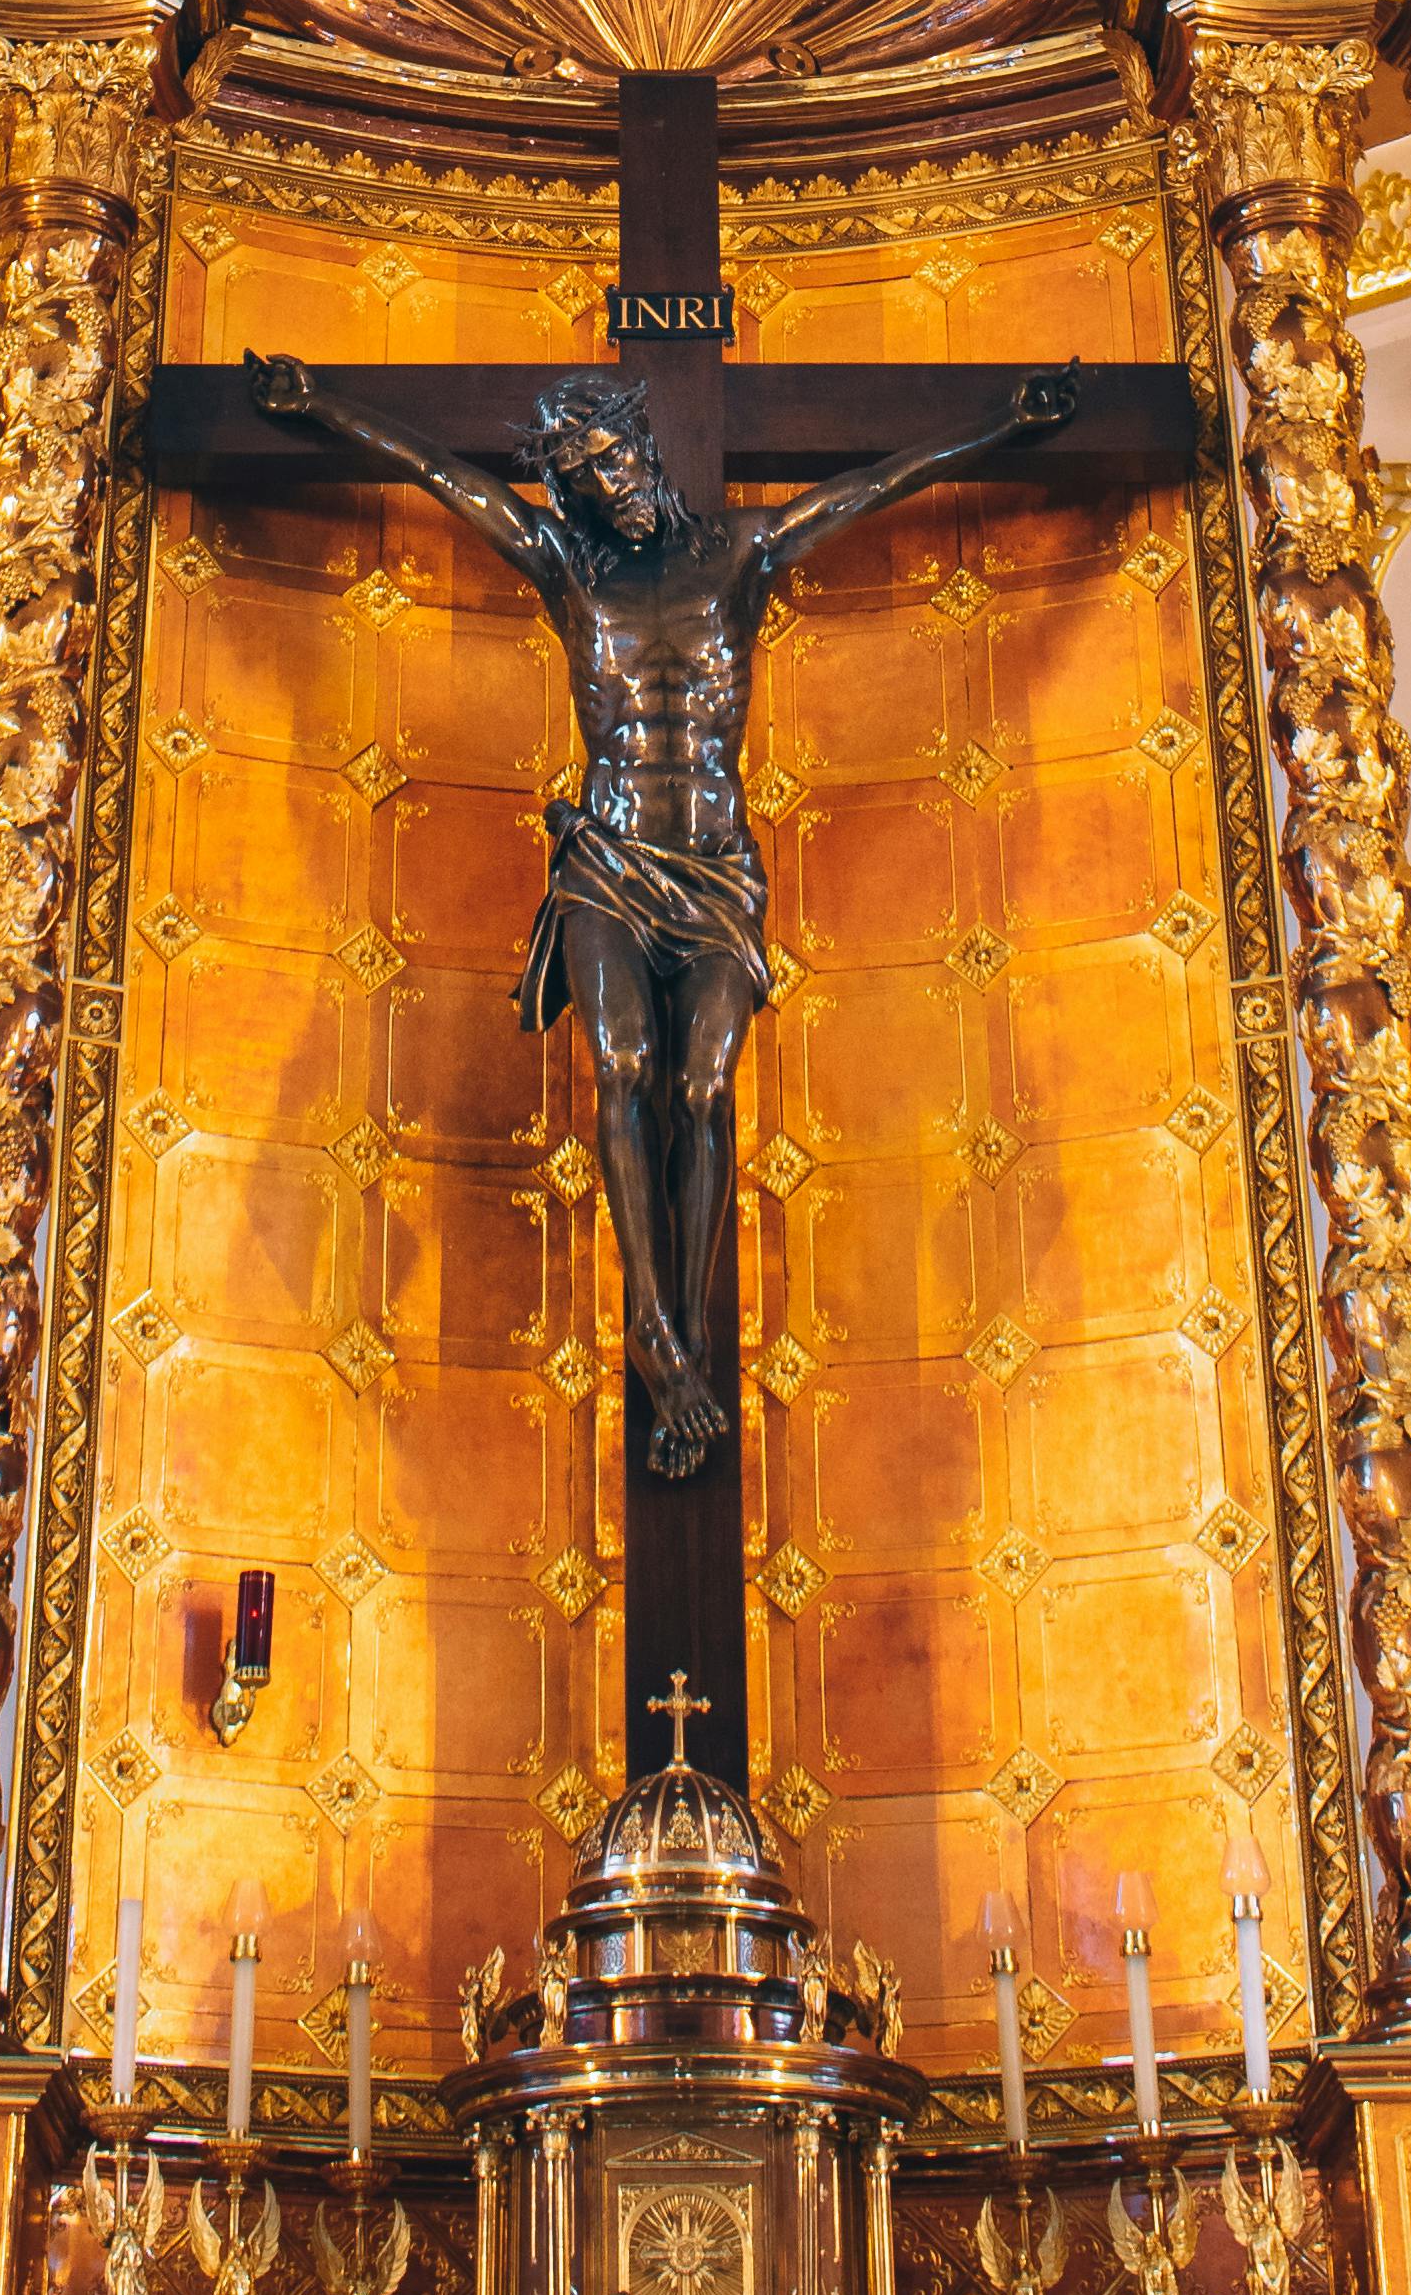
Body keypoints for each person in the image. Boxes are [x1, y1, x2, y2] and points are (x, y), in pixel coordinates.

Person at [241, 351, 1077, 1469]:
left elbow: (878, 484)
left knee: (703, 1084)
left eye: (619, 455)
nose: (613, 479)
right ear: (573, 488)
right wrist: (325, 407)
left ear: (647, 445)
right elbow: (447, 478)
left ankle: (681, 1322)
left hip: (717, 870)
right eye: (586, 471)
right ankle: (655, 1333)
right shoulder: (567, 567)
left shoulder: (741, 549)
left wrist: (1002, 421)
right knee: (626, 1063)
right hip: (612, 860)